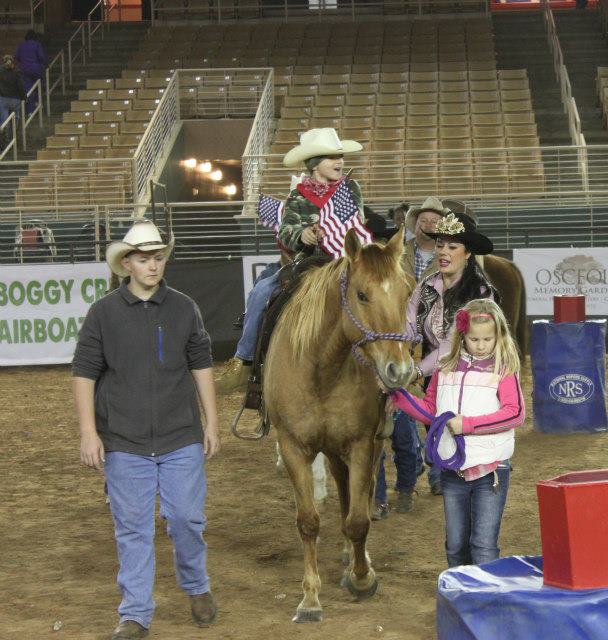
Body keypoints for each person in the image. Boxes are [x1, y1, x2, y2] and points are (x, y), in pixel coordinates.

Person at [71, 220, 220, 640]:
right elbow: (84, 372)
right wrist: (88, 432)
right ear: (126, 264)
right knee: (133, 527)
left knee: (186, 519)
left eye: (157, 258)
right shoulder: (103, 313)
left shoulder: (184, 307)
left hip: (180, 435)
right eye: (143, 258)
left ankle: (196, 584)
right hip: (123, 439)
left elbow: (201, 364)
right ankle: (135, 613)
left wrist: (211, 421)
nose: (152, 266)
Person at [216, 128, 364, 393]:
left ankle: (386, 371)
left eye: (339, 155)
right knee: (261, 292)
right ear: (314, 163)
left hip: (345, 261)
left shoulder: (350, 188)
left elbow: (356, 221)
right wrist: (303, 234)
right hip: (308, 263)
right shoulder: (298, 195)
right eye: (331, 156)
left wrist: (332, 231)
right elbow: (286, 230)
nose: (339, 161)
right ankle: (246, 360)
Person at [391, 298, 524, 567]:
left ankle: (483, 603)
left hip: (492, 470)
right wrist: (399, 396)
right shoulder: (445, 368)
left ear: (499, 336)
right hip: (453, 471)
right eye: (475, 339)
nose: (482, 345)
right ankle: (459, 600)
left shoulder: (504, 371)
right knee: (455, 545)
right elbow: (432, 410)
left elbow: (515, 413)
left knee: (484, 546)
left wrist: (468, 425)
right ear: (462, 336)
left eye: (488, 339)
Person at [406, 208, 498, 495]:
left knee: (467, 440)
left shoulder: (480, 293)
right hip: (438, 376)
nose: (443, 252)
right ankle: (444, 474)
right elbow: (408, 325)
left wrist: (416, 369)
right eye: (440, 244)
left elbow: (451, 344)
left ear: (467, 253)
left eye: (453, 246)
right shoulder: (426, 286)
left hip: (474, 380)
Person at [370, 196, 447, 519]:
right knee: (395, 423)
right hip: (402, 336)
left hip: (433, 336)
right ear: (414, 223)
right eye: (423, 219)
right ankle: (391, 489)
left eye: (434, 220)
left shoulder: (446, 255)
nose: (427, 225)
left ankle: (439, 473)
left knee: (440, 407)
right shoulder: (400, 251)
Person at [13, 30, 44, 114]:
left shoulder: (21, 45)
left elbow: (17, 56)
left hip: (24, 69)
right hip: (36, 69)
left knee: (29, 90)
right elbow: (41, 57)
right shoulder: (37, 44)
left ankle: (30, 111)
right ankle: (38, 102)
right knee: (39, 86)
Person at [0, 54, 25, 129]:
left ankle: (6, 134)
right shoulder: (17, 71)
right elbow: (20, 86)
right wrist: (24, 97)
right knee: (16, 116)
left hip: (3, 98)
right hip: (15, 98)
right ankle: (14, 131)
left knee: (4, 118)